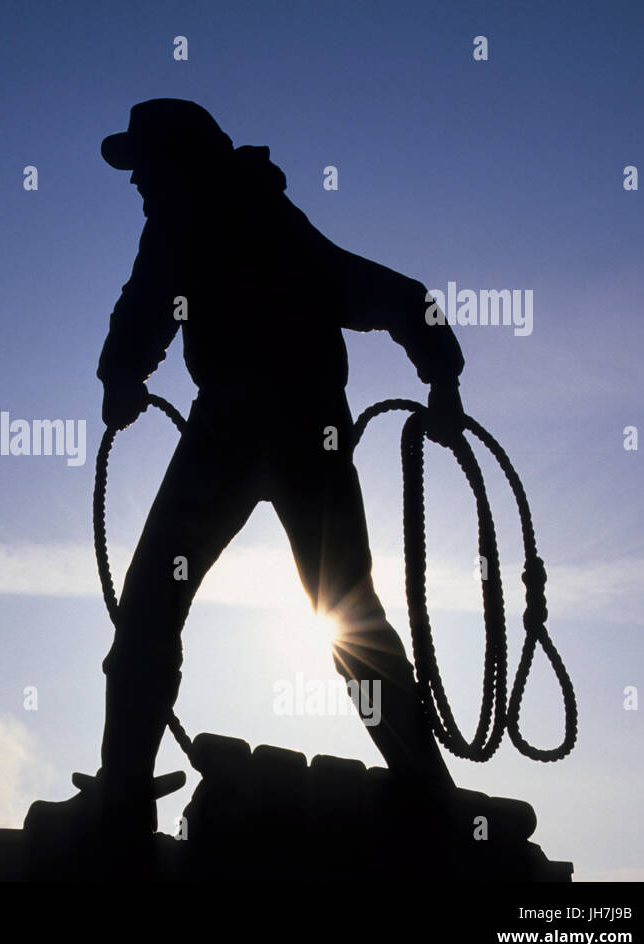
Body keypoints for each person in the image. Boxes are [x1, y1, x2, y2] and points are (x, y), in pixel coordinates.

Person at [82, 99, 465, 843]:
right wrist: (442, 378)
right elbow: (397, 296)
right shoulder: (277, 228)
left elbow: (147, 304)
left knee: (152, 608)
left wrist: (120, 378)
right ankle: (430, 796)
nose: (137, 185)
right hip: (302, 432)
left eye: (144, 168)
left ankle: (122, 796)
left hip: (234, 429)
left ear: (176, 165)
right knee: (352, 618)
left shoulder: (185, 222)